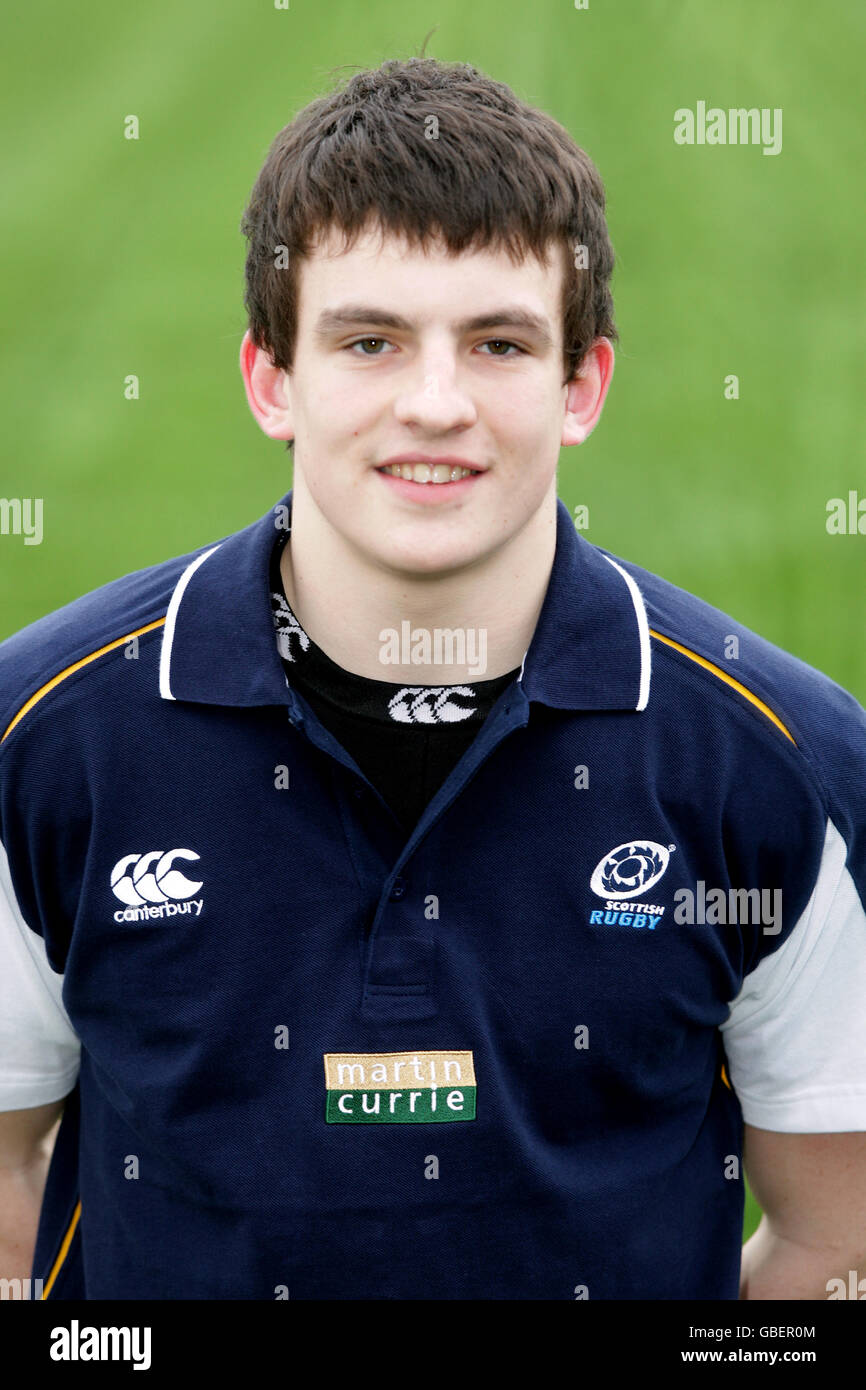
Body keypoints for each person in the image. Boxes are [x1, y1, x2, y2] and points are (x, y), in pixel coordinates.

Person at [1, 56, 864, 1302]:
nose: (435, 402)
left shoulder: (776, 763)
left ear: (580, 387)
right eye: (369, 340)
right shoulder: (48, 738)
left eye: (499, 343)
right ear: (271, 380)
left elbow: (833, 1243)